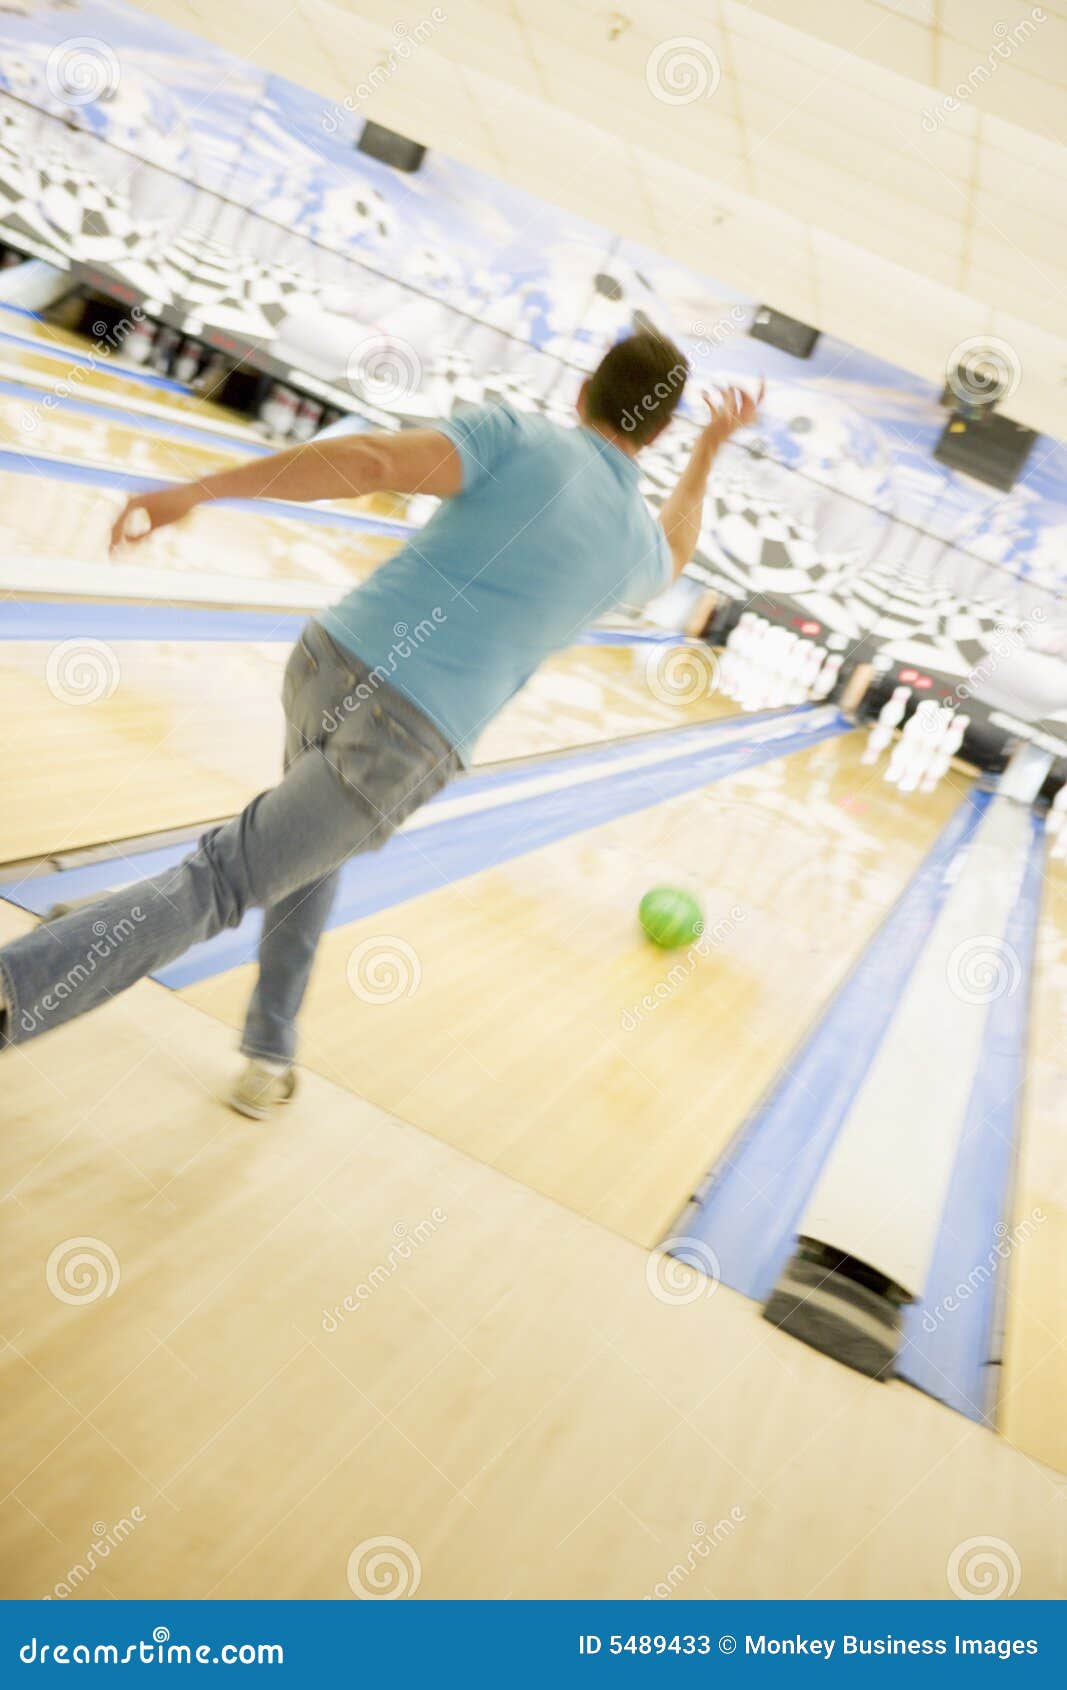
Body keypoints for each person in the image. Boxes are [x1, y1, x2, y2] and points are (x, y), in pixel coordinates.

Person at [0, 333, 761, 1116]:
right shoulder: (634, 544)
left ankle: (260, 1042)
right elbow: (677, 543)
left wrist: (197, 491)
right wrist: (708, 451)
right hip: (407, 738)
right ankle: (20, 982)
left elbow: (365, 463)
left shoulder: (516, 436)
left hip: (329, 658)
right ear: (660, 431)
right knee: (223, 882)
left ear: (582, 390)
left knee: (297, 862)